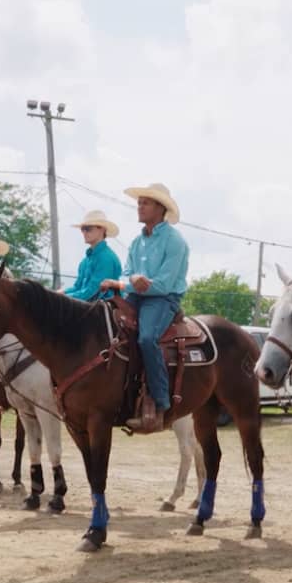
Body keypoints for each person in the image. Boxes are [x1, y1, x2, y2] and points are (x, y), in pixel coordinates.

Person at [98, 183, 188, 434]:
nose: (139, 207)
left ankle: (160, 403)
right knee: (104, 323)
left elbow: (164, 284)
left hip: (163, 299)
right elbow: (127, 272)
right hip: (136, 296)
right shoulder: (137, 242)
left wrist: (127, 283)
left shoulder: (175, 241)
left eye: (145, 203)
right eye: (139, 203)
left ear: (160, 208)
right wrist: (129, 281)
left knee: (147, 338)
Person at [64, 211, 124, 302]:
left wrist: (61, 298)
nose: (84, 232)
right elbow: (77, 287)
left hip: (101, 306)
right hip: (88, 305)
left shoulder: (106, 258)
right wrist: (62, 293)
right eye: (82, 229)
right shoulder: (85, 261)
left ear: (102, 229)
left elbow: (93, 293)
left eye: (88, 229)